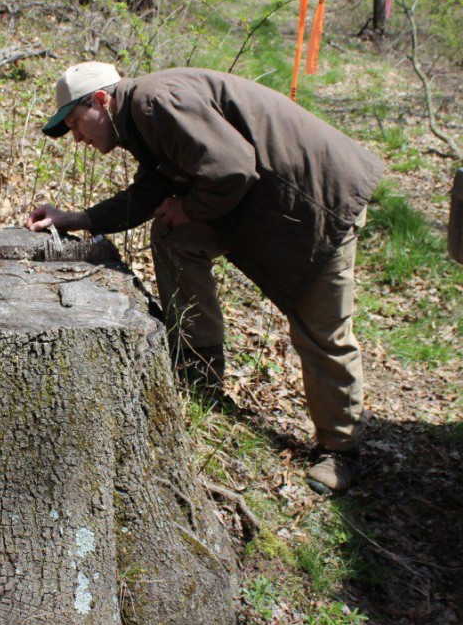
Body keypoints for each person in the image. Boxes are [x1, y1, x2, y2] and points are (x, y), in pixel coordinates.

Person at [27, 62, 384, 496]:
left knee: (320, 330)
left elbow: (233, 168)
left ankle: (341, 449)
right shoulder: (141, 118)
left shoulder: (154, 103)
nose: (78, 139)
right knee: (173, 234)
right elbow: (149, 193)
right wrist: (79, 218)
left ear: (101, 100)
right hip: (270, 202)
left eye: (76, 124)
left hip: (319, 202)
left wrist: (190, 208)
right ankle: (199, 370)